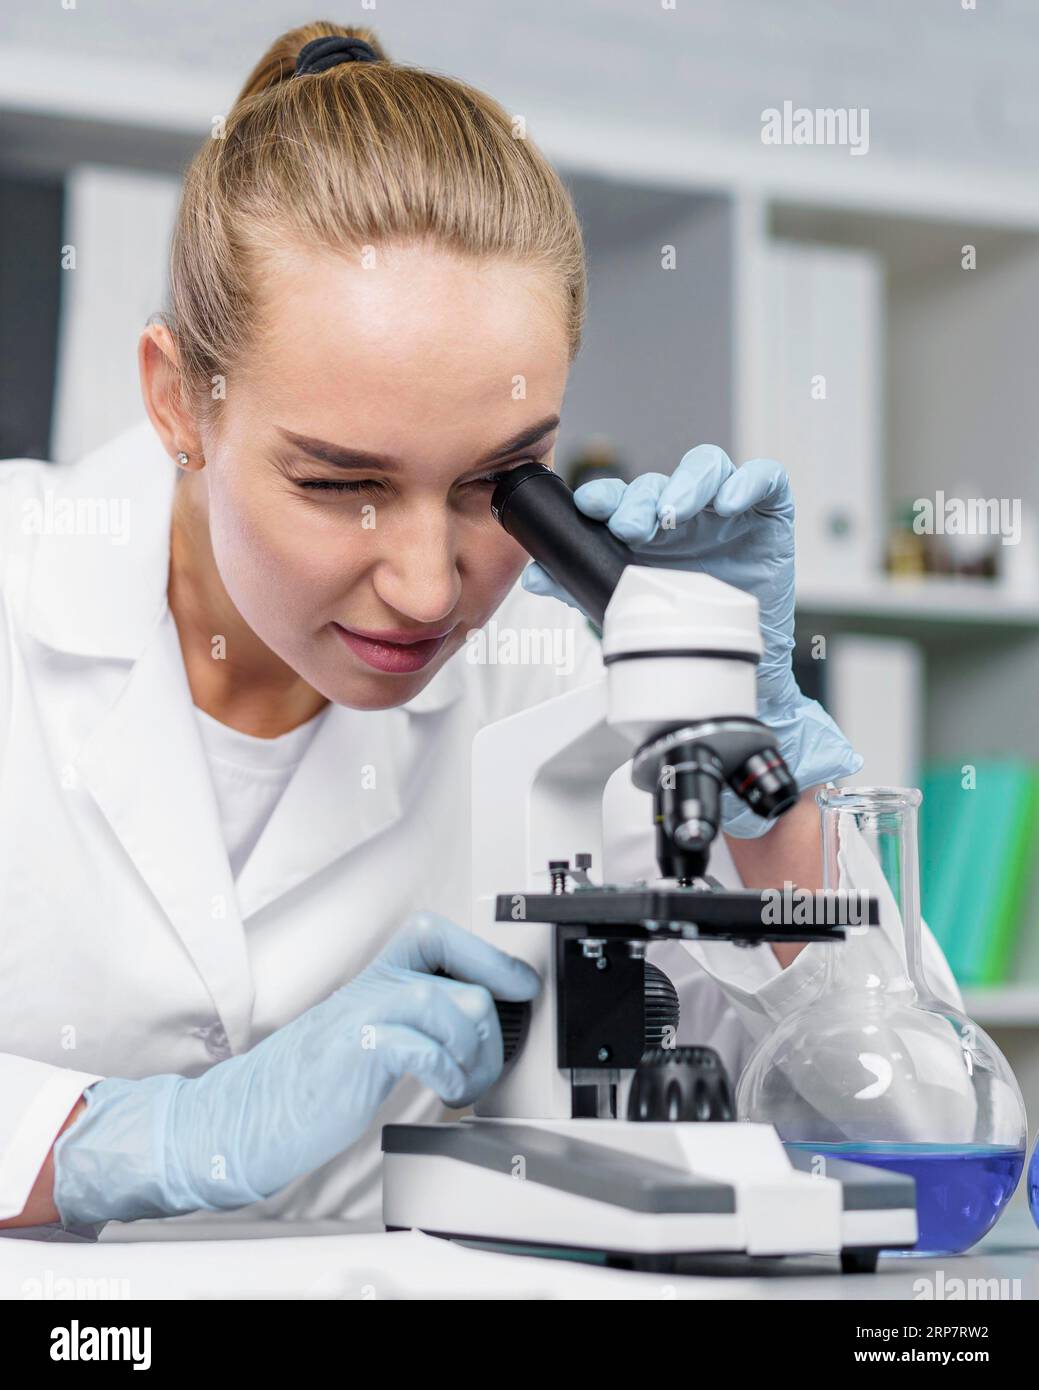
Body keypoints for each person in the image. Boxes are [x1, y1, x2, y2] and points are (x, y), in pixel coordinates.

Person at [0, 22, 960, 1239]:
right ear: (177, 399)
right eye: (341, 482)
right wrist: (122, 1139)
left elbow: (925, 1142)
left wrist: (757, 764)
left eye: (497, 482)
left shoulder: (578, 690)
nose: (424, 587)